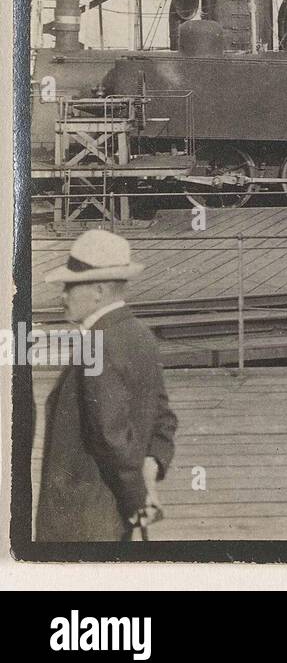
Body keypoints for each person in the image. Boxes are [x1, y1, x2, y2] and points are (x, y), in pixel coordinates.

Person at [36, 230, 178, 542]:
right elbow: (163, 419)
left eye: (70, 287)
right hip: (113, 516)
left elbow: (110, 435)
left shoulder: (97, 345)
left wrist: (137, 498)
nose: (62, 295)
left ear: (98, 291)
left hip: (80, 520)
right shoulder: (141, 335)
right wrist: (149, 473)